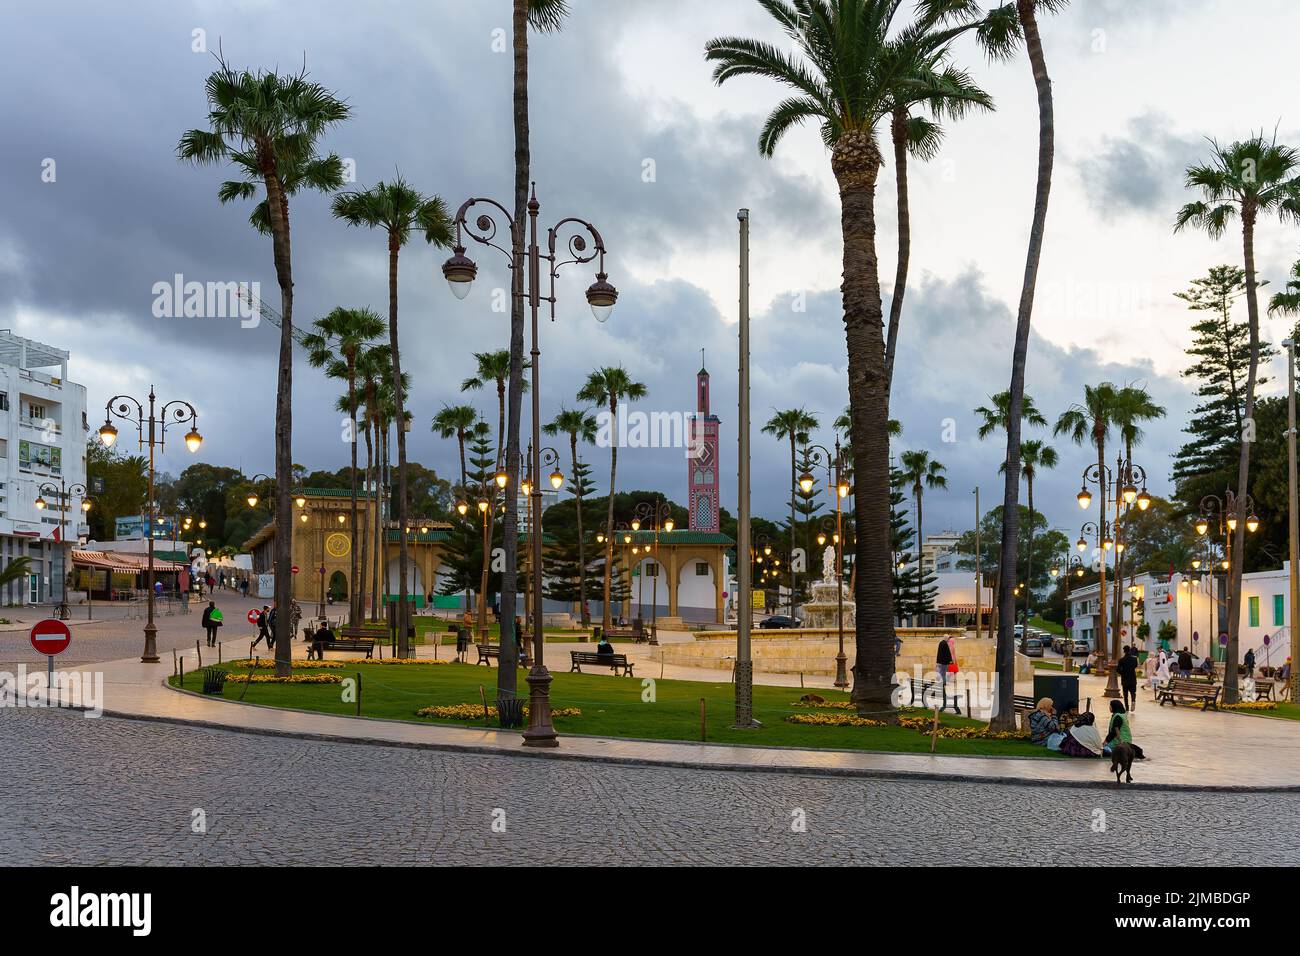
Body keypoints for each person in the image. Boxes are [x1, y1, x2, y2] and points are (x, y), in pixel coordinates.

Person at [1116, 644, 1139, 712]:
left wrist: (1122, 673)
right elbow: (1135, 666)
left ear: (1124, 651)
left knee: (1125, 695)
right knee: (1133, 692)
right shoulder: (1134, 659)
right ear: (1130, 651)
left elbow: (1118, 670)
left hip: (1125, 679)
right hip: (1132, 678)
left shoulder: (1121, 660)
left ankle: (1127, 708)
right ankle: (1133, 700)